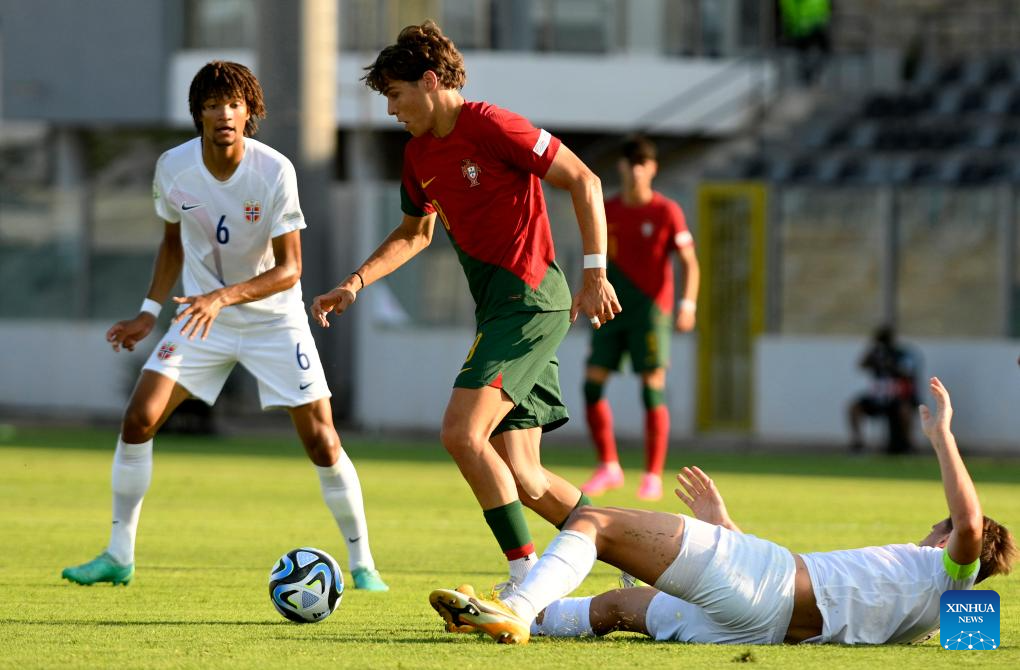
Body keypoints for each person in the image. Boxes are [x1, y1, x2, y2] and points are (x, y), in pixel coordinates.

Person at [310, 21, 621, 595]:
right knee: (525, 476)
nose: (392, 111)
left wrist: (594, 272)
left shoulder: (492, 125)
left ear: (430, 82)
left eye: (397, 96)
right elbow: (413, 234)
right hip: (500, 313)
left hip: (530, 305)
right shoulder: (417, 155)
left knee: (460, 433)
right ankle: (630, 550)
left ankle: (524, 575)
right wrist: (355, 282)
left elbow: (584, 179)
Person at [61, 61, 388, 591]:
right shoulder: (172, 167)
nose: (223, 114)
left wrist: (222, 297)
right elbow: (172, 243)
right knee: (139, 418)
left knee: (323, 443)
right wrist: (149, 311)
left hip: (273, 321)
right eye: (212, 105)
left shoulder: (275, 170)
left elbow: (291, 270)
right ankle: (118, 555)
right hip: (198, 317)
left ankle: (363, 563)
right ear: (199, 114)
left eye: (233, 104)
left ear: (250, 112)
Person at [430, 376, 1016, 645]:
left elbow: (967, 523)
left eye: (936, 529)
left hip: (762, 584)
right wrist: (725, 526)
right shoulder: (932, 620)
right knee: (612, 607)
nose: (931, 531)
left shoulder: (944, 572)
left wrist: (942, 435)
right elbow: (831, 591)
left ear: (949, 546)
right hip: (762, 625)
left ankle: (519, 601)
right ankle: (508, 617)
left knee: (595, 523)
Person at [580, 136, 700, 501]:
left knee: (651, 383)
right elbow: (592, 256)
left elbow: (689, 262)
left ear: (652, 169)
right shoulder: (607, 209)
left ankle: (652, 474)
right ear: (621, 167)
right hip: (612, 306)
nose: (635, 169)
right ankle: (609, 466)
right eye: (629, 162)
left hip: (651, 310)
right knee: (592, 383)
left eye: (642, 163)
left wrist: (687, 304)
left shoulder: (666, 211)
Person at [848, 325, 921, 454]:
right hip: (879, 396)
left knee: (905, 410)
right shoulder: (875, 354)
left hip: (897, 396)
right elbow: (861, 364)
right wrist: (873, 351)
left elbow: (908, 371)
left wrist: (891, 363)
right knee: (854, 407)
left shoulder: (901, 354)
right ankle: (858, 442)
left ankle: (908, 443)